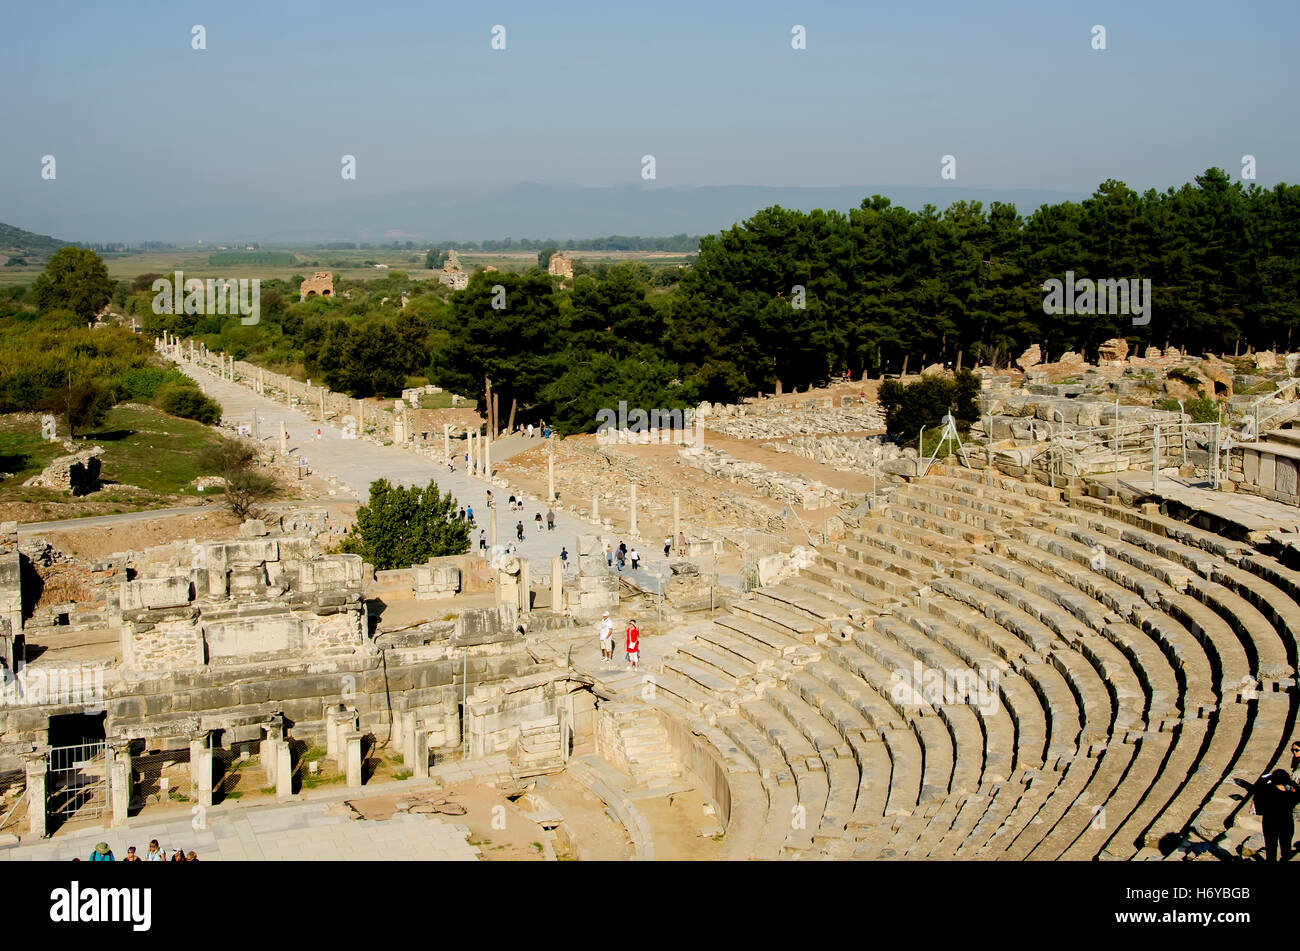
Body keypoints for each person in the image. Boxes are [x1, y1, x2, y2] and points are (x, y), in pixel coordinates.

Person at [1253, 768, 1300, 861]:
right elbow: (1298, 795)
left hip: (1269, 823)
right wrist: (1292, 785)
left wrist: (1265, 780)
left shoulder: (1266, 790)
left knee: (1271, 848)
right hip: (1286, 823)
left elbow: (1258, 801)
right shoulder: (1290, 794)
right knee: (1286, 847)